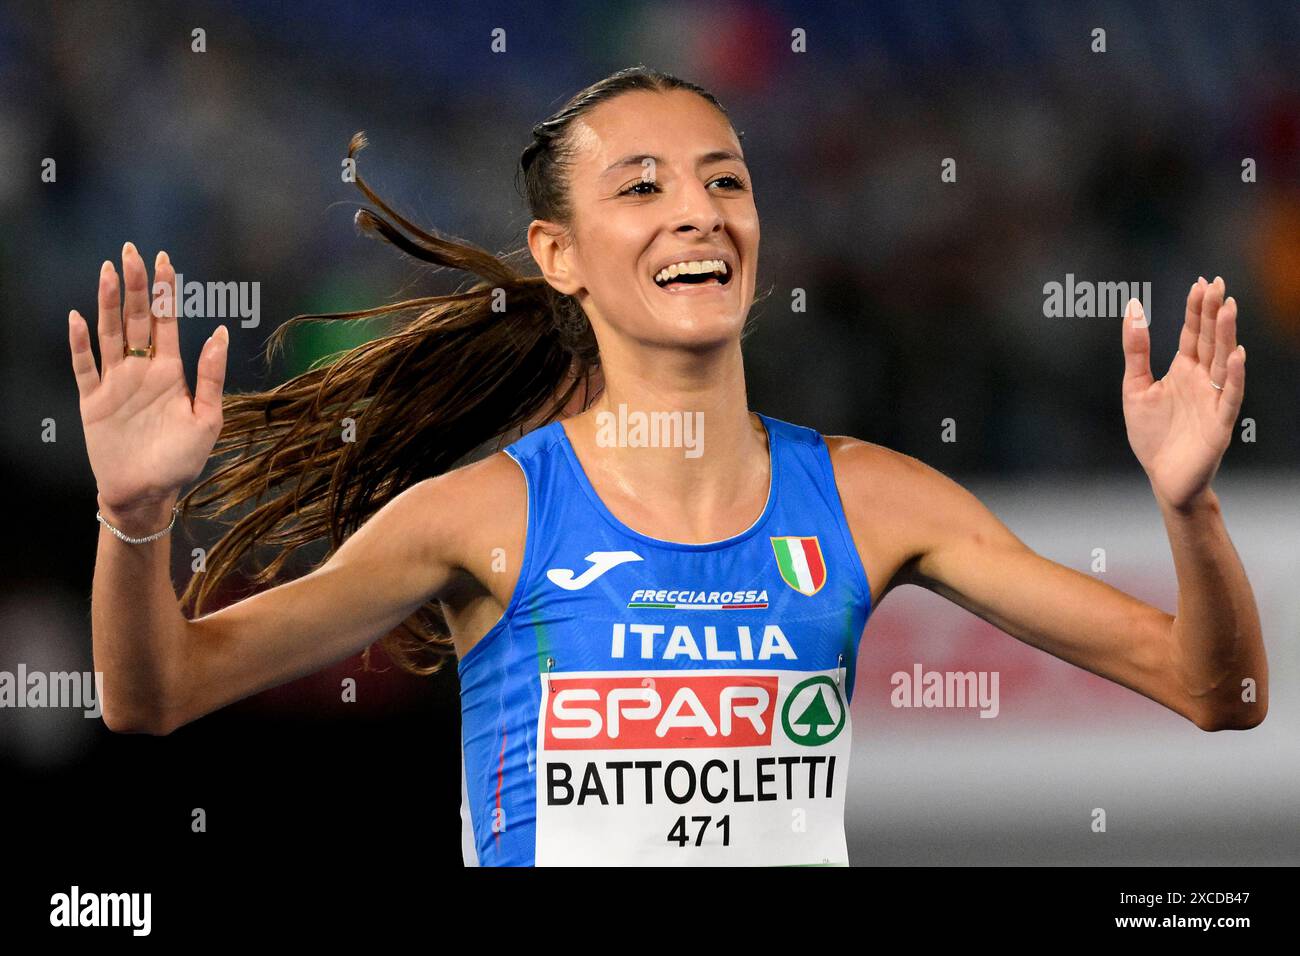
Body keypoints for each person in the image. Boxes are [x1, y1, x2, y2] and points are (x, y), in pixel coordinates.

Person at [67, 66, 1267, 867]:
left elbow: (1220, 694)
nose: (697, 211)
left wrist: (1190, 506)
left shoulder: (872, 498)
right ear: (559, 254)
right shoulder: (486, 517)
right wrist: (133, 515)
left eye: (725, 182)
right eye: (640, 187)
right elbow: (153, 692)